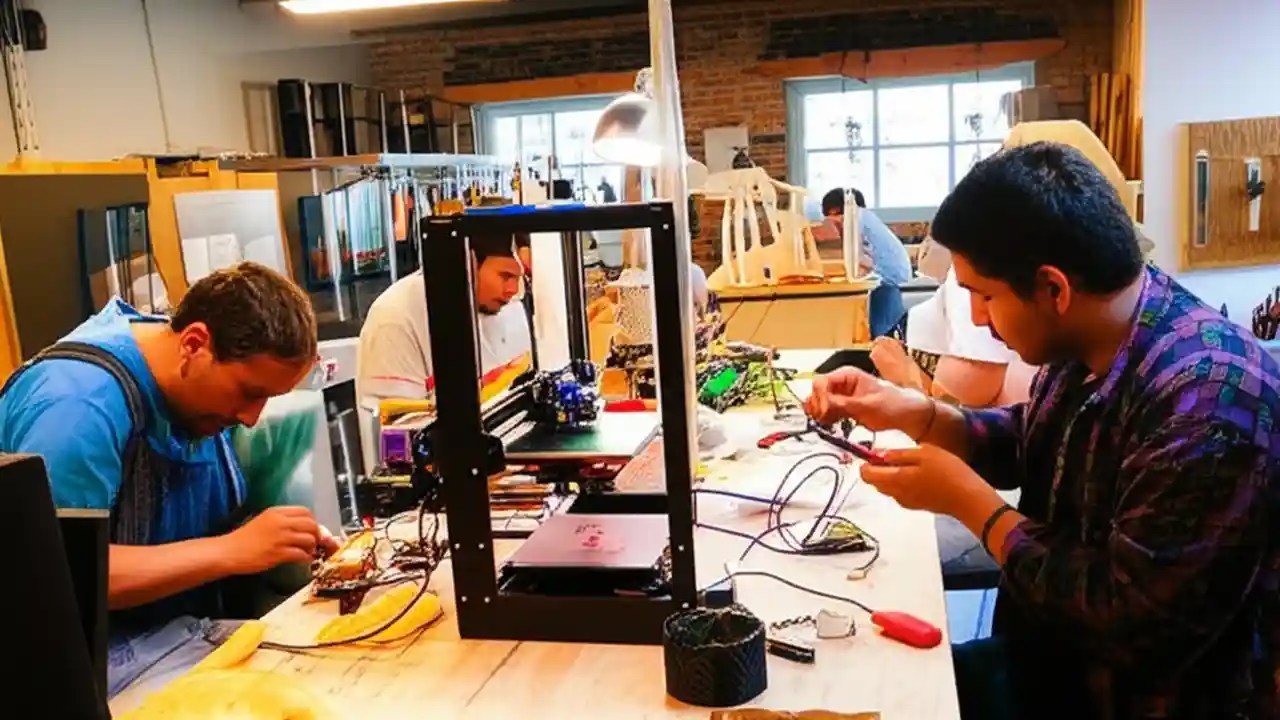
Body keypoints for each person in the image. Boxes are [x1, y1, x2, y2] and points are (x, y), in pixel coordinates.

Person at [807, 142, 1280, 718]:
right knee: (853, 681)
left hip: (1131, 695)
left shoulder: (1207, 400)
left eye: (984, 296)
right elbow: (1036, 441)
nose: (978, 319)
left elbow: (1125, 616)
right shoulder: (1096, 334)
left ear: (1053, 289)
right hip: (1048, 658)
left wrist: (969, 503)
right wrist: (914, 412)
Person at [0, 262, 338, 698]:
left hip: (171, 631)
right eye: (249, 393)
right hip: (82, 668)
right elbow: (60, 578)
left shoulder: (187, 372)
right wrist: (232, 550)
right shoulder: (79, 408)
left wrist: (277, 541)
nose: (251, 419)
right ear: (195, 343)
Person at [356, 231, 533, 408]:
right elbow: (395, 425)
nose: (513, 289)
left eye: (519, 277)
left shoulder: (509, 307)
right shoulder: (395, 318)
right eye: (506, 276)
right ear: (468, 263)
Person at [819, 187, 913, 337]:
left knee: (881, 337)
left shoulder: (855, 218)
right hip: (895, 278)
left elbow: (859, 258)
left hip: (889, 282)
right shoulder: (866, 218)